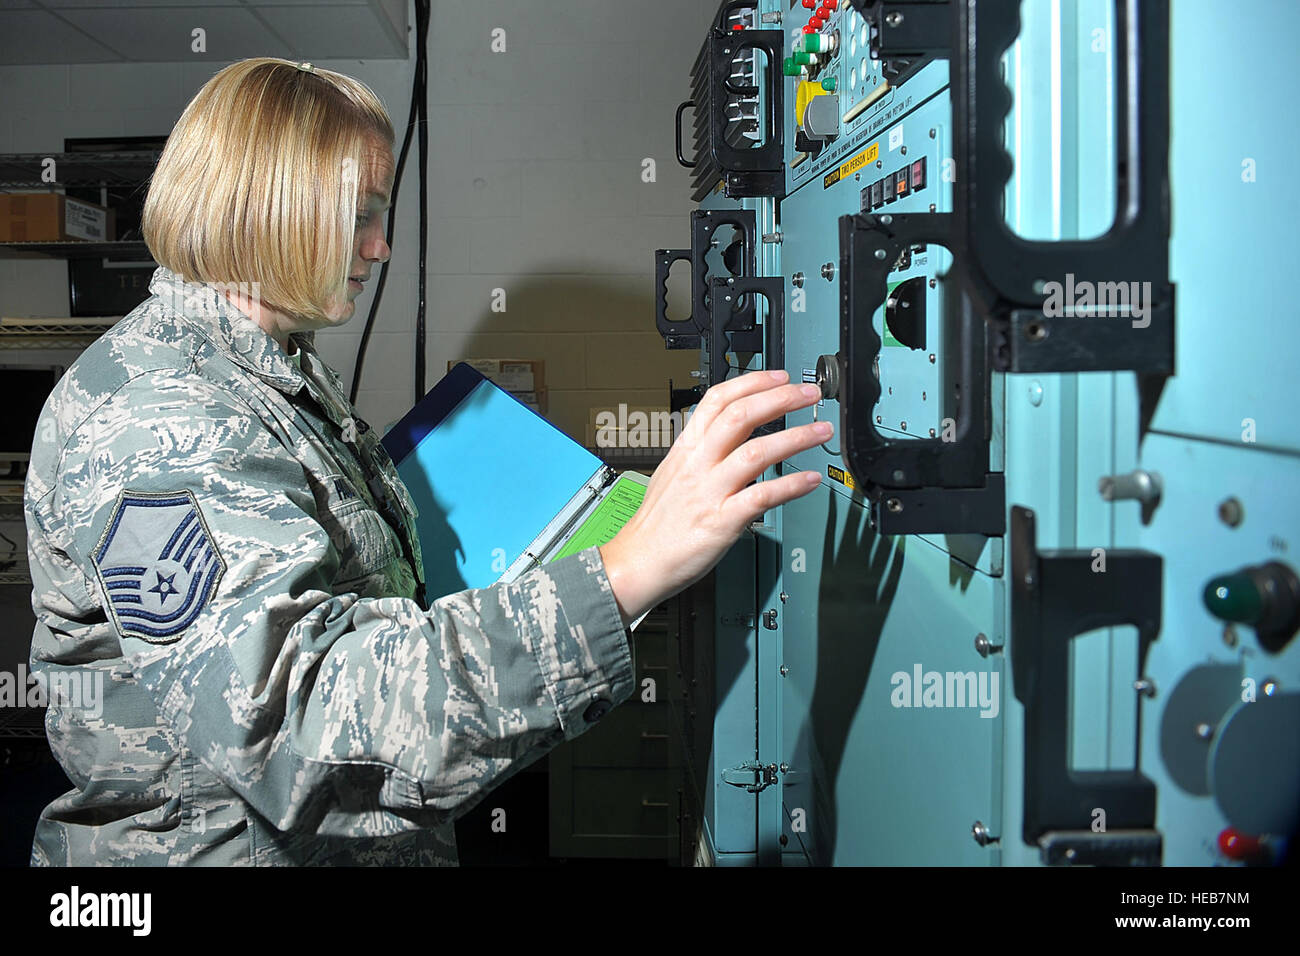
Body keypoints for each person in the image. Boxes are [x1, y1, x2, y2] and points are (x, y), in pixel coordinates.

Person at [23, 58, 831, 865]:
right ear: (269, 208)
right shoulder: (162, 414)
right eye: (362, 212)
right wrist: (623, 572)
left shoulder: (268, 368)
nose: (381, 245)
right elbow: (299, 727)